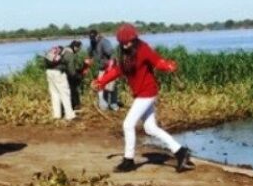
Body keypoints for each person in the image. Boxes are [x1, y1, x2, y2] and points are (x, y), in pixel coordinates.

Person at [92, 23, 193, 173]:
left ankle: (128, 160)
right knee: (150, 128)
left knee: (127, 124)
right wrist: (101, 81)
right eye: (122, 42)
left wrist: (168, 66)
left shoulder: (143, 49)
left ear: (134, 39)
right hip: (141, 93)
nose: (126, 44)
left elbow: (157, 61)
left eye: (128, 41)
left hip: (147, 92)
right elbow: (118, 70)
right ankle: (180, 152)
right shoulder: (124, 53)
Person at [44, 42, 77, 121]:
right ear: (75, 47)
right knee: (65, 94)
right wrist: (75, 76)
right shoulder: (68, 53)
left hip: (49, 72)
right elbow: (71, 70)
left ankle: (56, 115)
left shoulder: (54, 50)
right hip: (59, 73)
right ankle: (69, 115)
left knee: (54, 94)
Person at [89, 29, 118, 111]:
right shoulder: (92, 43)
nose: (92, 39)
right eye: (91, 38)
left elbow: (112, 54)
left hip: (109, 68)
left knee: (111, 88)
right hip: (100, 68)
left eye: (93, 38)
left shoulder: (104, 42)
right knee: (100, 86)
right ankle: (103, 105)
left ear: (97, 35)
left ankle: (113, 104)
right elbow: (91, 54)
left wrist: (111, 66)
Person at [64, 40, 84, 112]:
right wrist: (78, 76)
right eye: (79, 48)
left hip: (63, 74)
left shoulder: (65, 51)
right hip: (67, 75)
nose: (79, 50)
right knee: (72, 91)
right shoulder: (70, 54)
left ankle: (71, 107)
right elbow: (71, 70)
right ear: (75, 47)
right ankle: (74, 107)